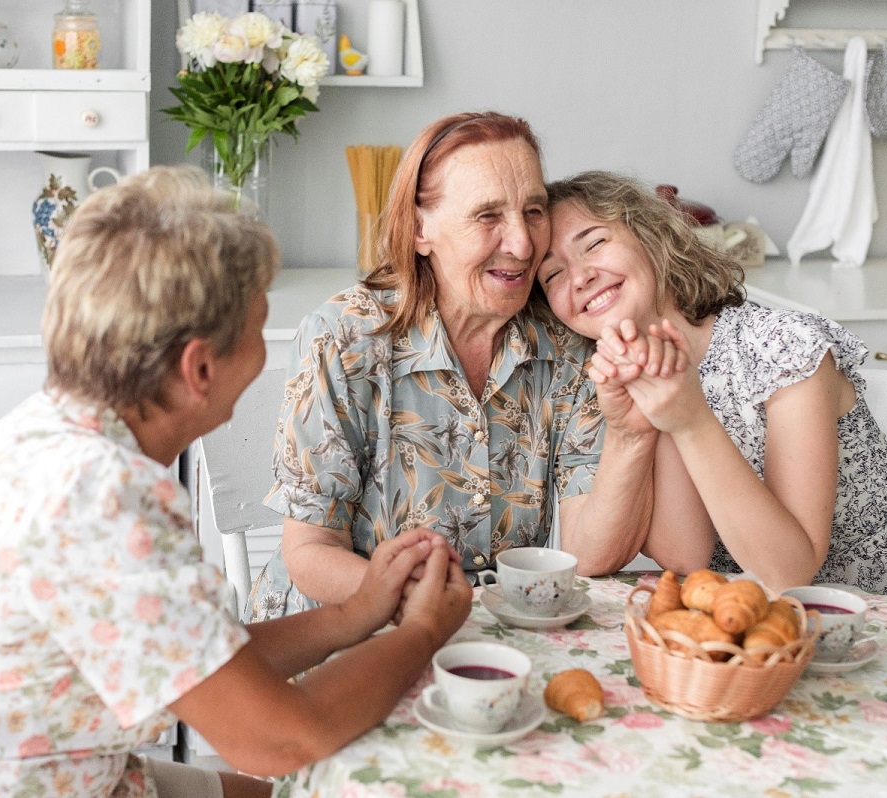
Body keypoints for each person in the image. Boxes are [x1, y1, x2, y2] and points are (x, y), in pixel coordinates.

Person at [0, 165, 474, 798]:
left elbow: (197, 650)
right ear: (200, 368)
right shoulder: (100, 500)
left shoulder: (50, 434)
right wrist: (422, 633)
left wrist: (354, 616)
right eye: (256, 329)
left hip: (26, 767)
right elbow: (281, 739)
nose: (263, 353)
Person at [249, 112, 660, 622]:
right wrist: (434, 611)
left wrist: (633, 435)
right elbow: (310, 553)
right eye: (488, 216)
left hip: (484, 629)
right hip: (337, 628)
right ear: (421, 228)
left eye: (534, 210)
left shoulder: (565, 343)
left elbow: (591, 553)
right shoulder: (346, 339)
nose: (523, 243)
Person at [536, 169, 887, 621]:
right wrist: (658, 413)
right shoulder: (621, 382)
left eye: (594, 243)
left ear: (651, 237)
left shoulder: (783, 346)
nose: (580, 277)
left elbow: (788, 569)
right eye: (552, 274)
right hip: (770, 633)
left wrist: (690, 419)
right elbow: (685, 554)